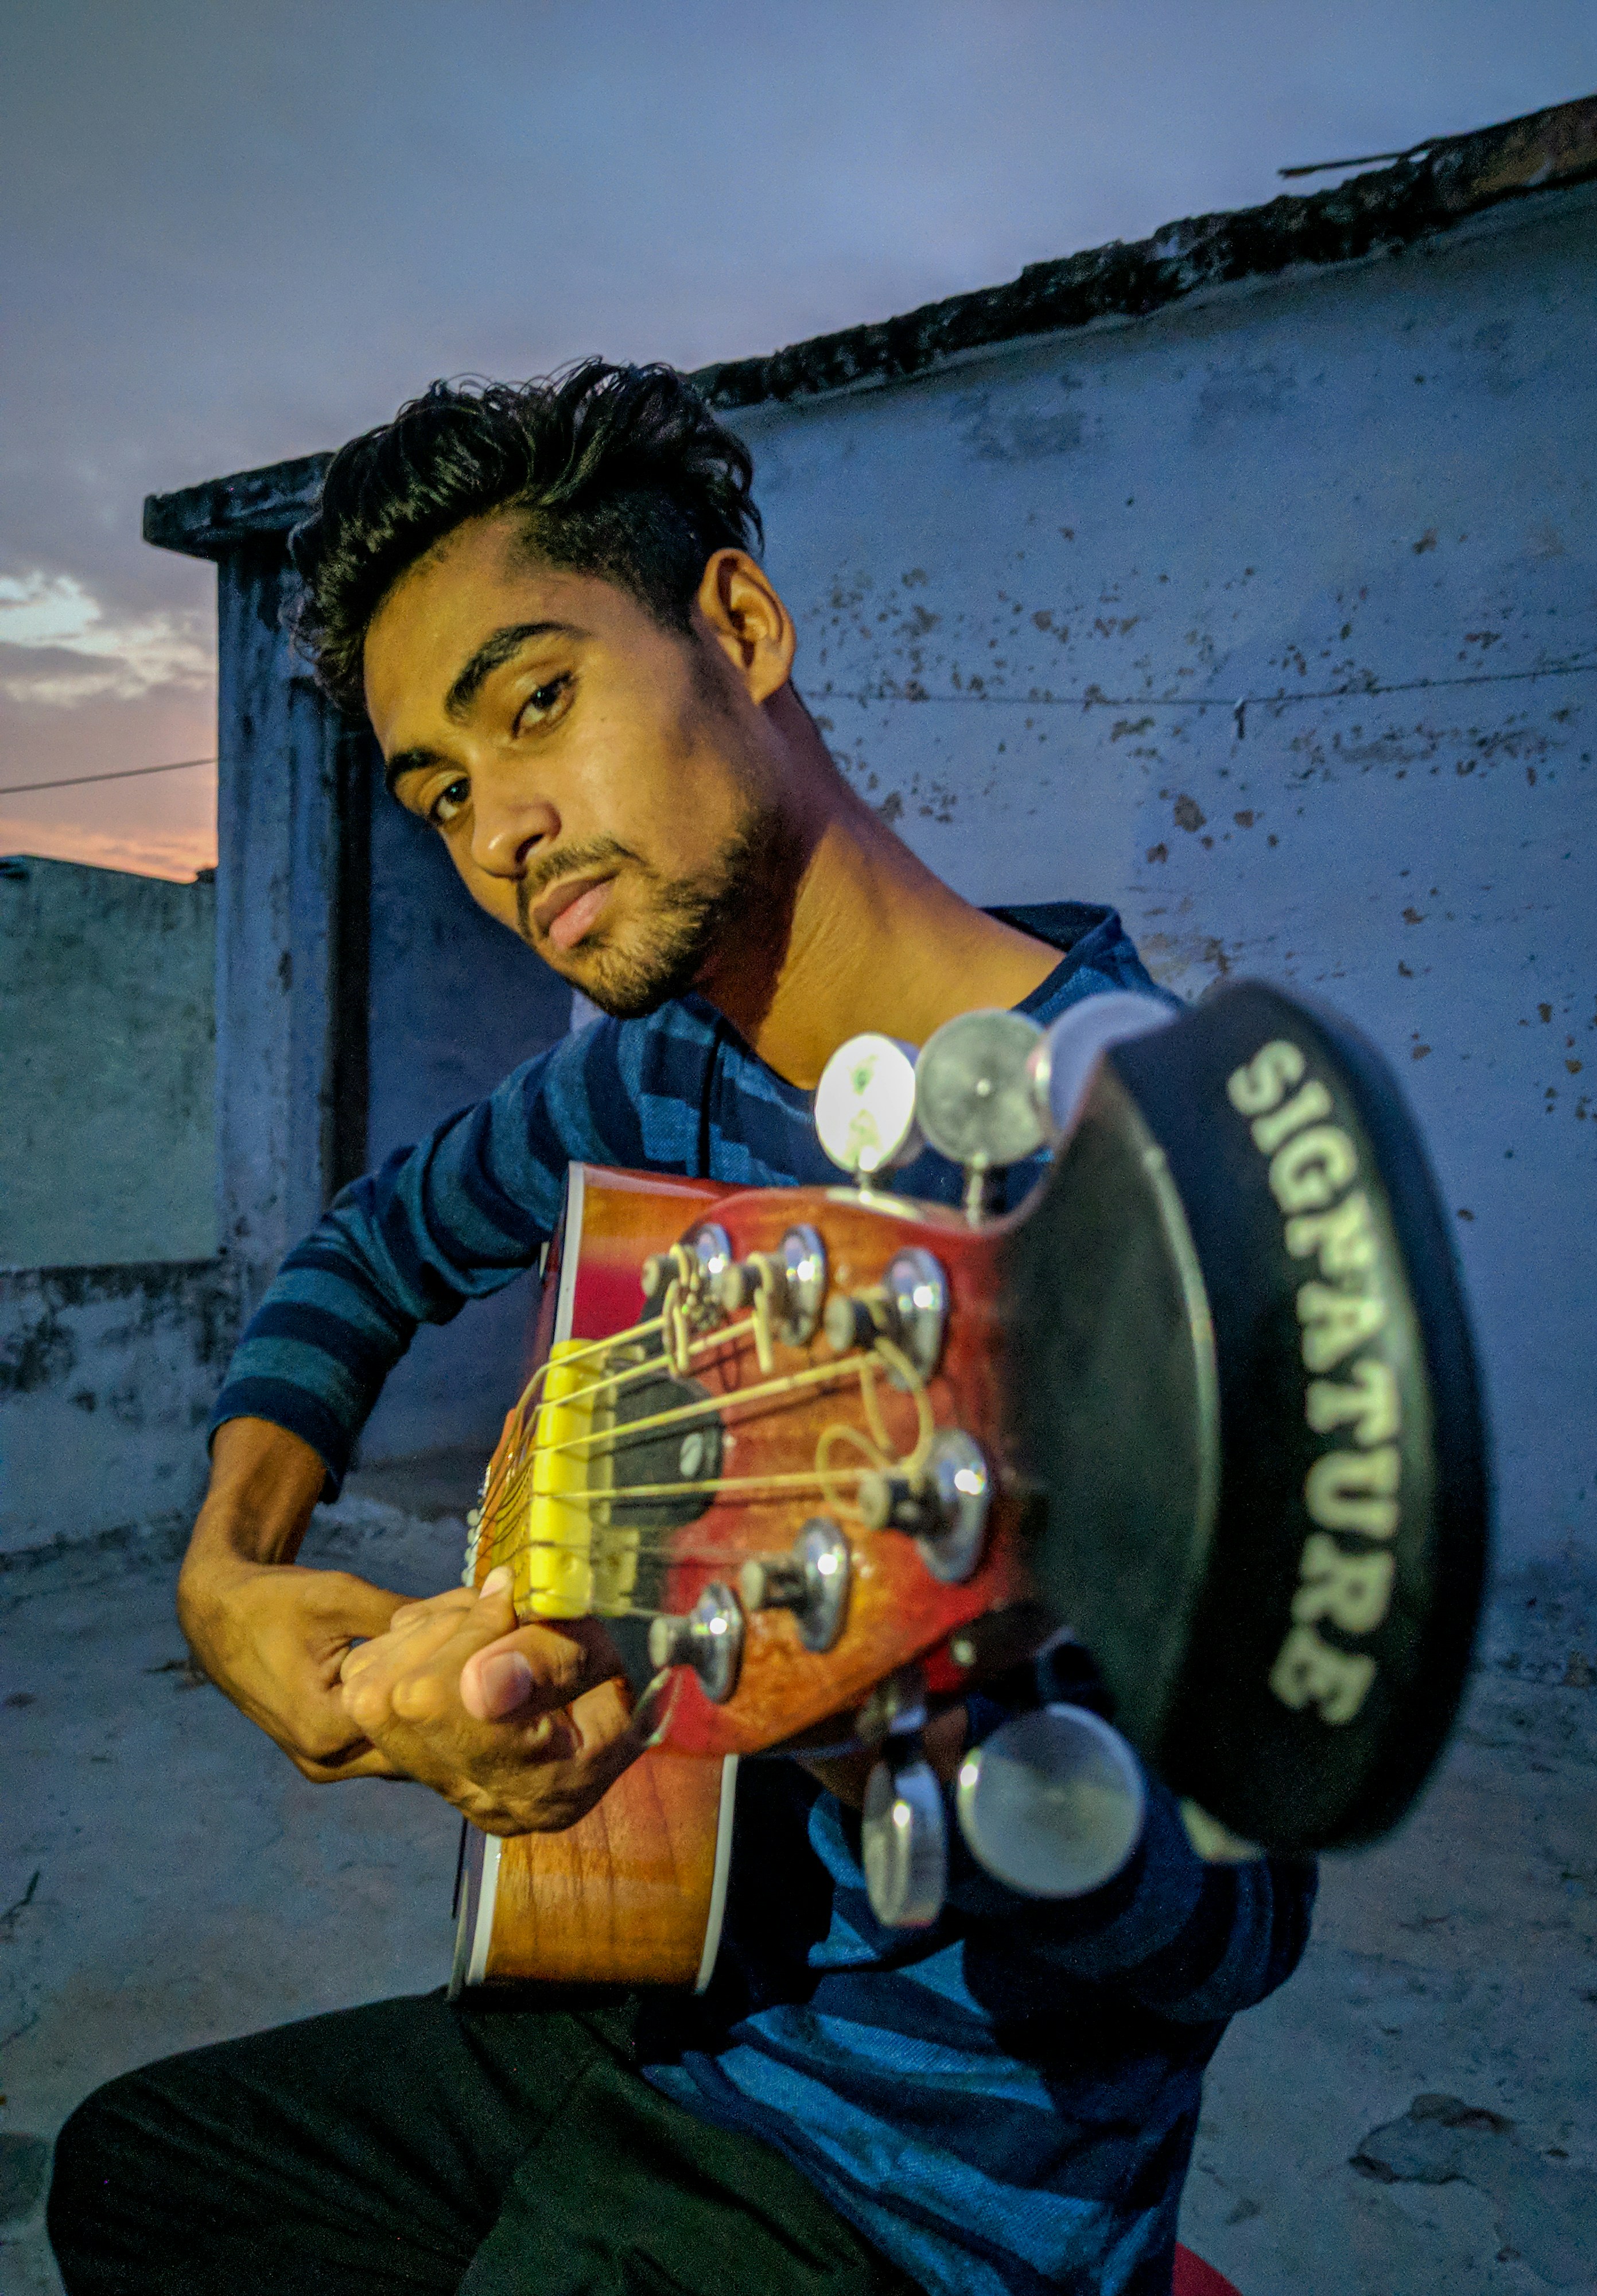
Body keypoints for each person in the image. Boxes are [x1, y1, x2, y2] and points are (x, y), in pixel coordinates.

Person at [48, 362, 1313, 2296]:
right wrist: (231, 1569)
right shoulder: (648, 1076)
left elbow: (1239, 1924)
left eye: (536, 703)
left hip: (910, 2180)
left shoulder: (1140, 1177)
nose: (502, 835)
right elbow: (374, 1244)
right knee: (138, 2179)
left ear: (737, 625)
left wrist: (899, 1736)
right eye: (442, 792)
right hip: (628, 1981)